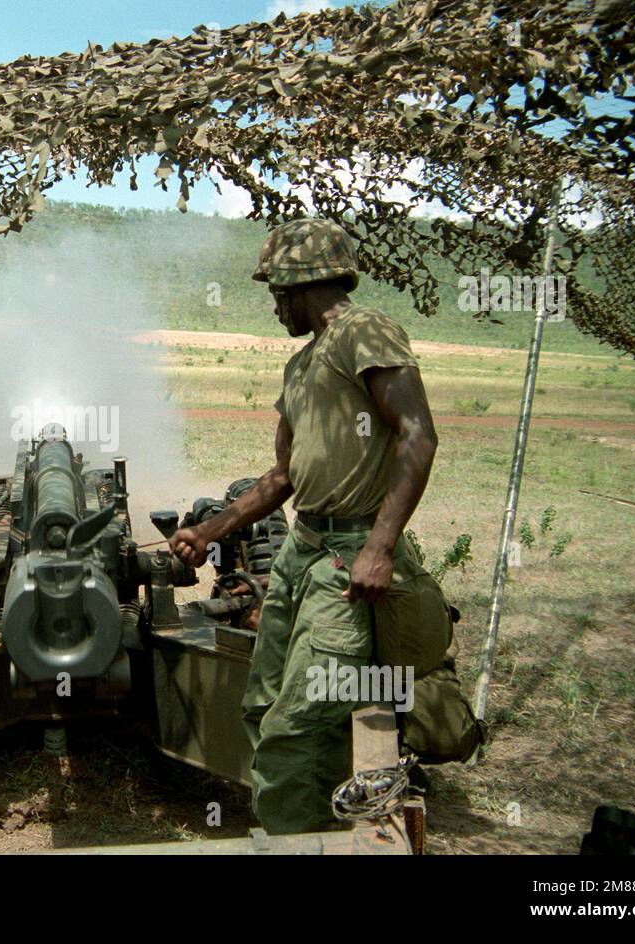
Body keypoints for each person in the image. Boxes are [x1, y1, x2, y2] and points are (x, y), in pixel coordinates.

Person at [170, 218, 441, 834]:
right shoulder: (301, 367)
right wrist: (209, 532)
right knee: (264, 704)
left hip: (347, 559)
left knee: (305, 722)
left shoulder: (364, 332)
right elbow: (282, 479)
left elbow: (418, 434)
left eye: (276, 294)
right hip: (303, 549)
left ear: (300, 286)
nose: (274, 307)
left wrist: (380, 545)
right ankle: (294, 827)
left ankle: (303, 841)